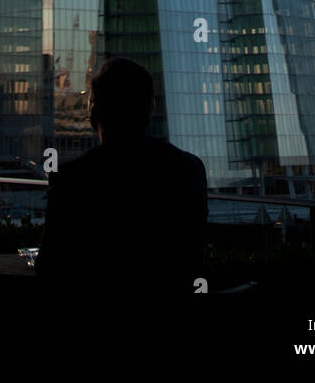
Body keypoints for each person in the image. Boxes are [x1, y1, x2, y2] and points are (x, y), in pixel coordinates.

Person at [35, 56, 208, 297]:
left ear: (92, 107)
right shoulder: (190, 169)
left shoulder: (72, 180)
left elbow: (50, 270)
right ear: (151, 107)